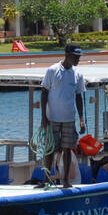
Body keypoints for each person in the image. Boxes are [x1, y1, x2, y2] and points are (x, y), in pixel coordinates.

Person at [41, 44, 88, 188]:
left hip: (69, 118)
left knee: (68, 149)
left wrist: (81, 119)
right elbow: (44, 93)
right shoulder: (52, 70)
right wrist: (44, 117)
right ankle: (47, 179)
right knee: (49, 150)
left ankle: (66, 181)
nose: (78, 59)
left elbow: (78, 97)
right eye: (76, 57)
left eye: (79, 57)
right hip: (52, 118)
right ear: (67, 55)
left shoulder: (78, 74)